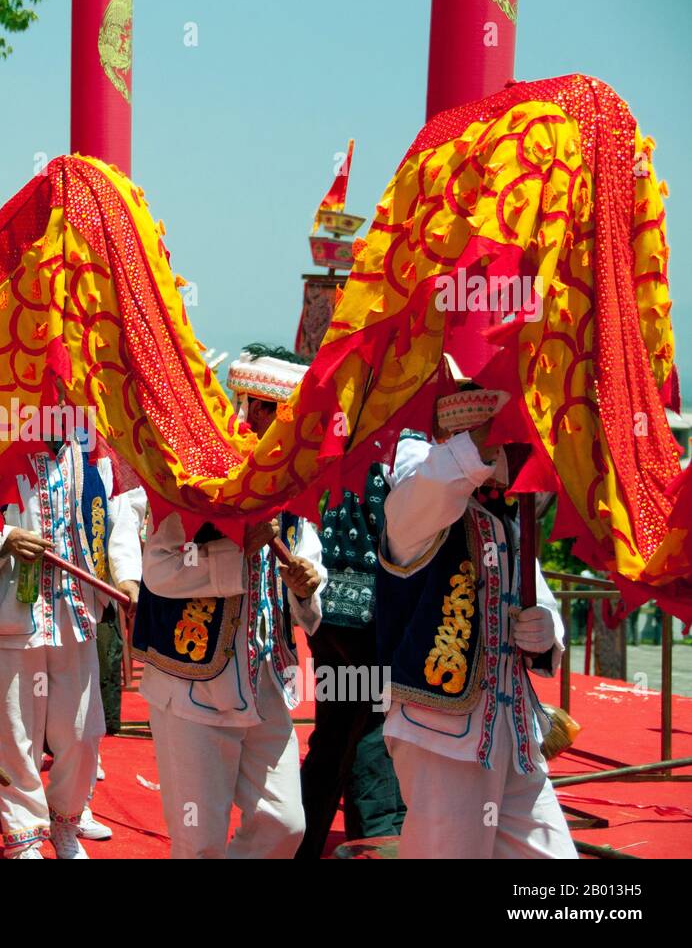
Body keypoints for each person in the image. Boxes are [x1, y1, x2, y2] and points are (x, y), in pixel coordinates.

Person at [377, 366, 576, 859]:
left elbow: (540, 593)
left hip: (515, 732)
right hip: (442, 736)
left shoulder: (505, 518)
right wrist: (487, 436)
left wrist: (548, 629)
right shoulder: (419, 509)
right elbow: (425, 490)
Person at [133, 354, 325, 859]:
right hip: (192, 686)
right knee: (200, 843)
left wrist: (306, 585)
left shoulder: (293, 488)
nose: (289, 432)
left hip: (265, 684)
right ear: (252, 410)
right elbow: (160, 568)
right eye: (280, 416)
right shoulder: (200, 482)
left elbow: (308, 581)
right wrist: (234, 554)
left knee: (285, 824)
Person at [0, 412, 140, 859]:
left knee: (83, 733)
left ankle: (65, 820)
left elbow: (118, 516)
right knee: (16, 734)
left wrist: (127, 577)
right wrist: (5, 537)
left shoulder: (92, 449)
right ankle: (24, 837)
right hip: (14, 610)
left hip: (76, 610)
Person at [296, 465, 406, 858]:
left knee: (335, 732)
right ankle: (373, 838)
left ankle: (303, 843)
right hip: (368, 616)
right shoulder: (400, 445)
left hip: (327, 610)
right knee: (372, 727)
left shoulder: (334, 442)